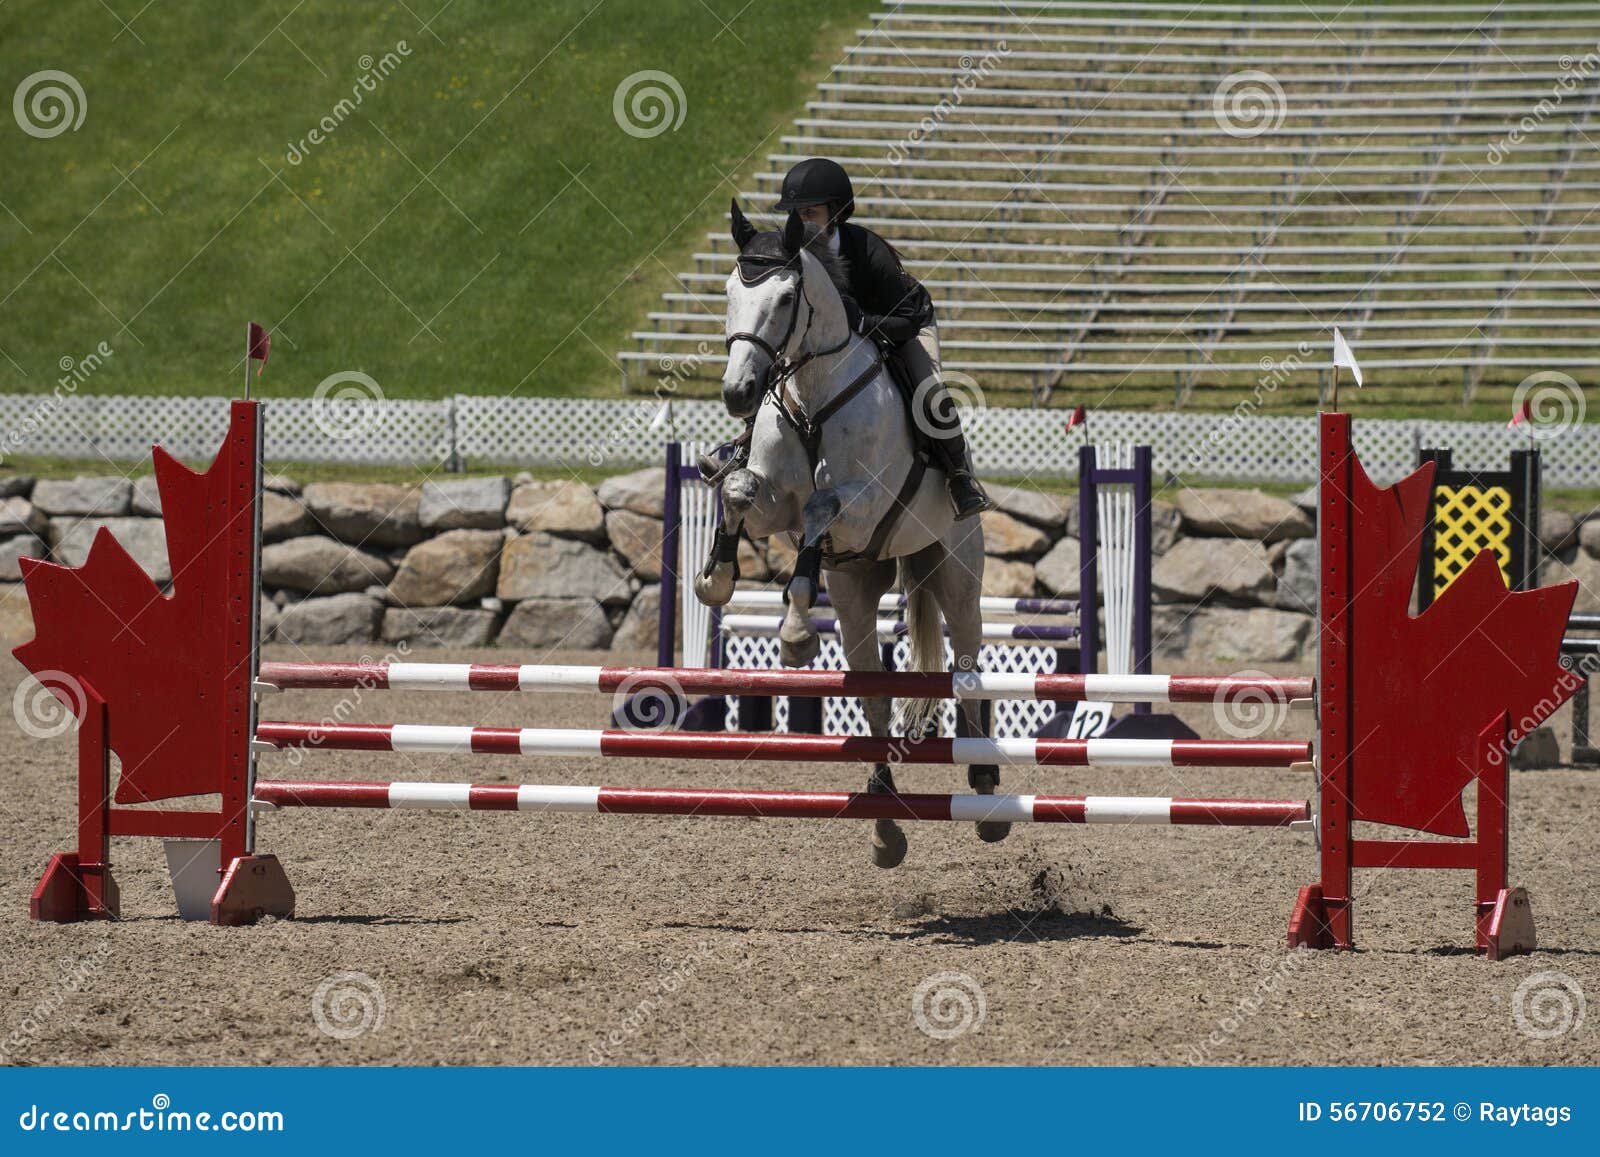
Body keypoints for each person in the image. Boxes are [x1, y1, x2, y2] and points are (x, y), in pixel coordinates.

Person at [774, 158, 993, 520]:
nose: (800, 223)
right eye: (794, 214)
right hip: (839, 340)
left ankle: (958, 475)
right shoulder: (792, 254)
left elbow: (905, 320)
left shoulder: (867, 250)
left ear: (836, 212)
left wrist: (864, 321)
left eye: (810, 213)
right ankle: (744, 448)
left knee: (928, 388)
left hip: (901, 324)